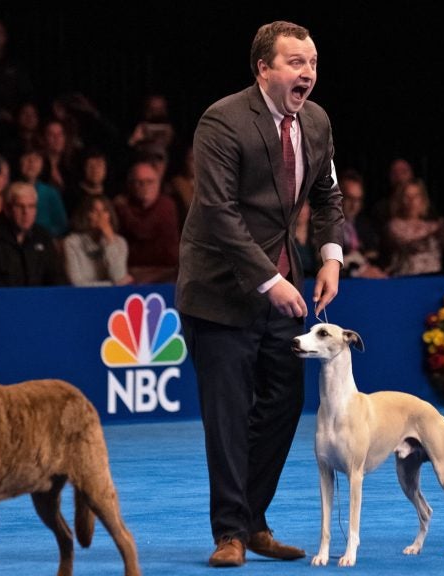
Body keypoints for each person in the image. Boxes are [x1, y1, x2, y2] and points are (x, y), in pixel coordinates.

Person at [175, 20, 343, 568]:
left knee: (283, 402)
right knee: (226, 417)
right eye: (296, 62)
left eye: (313, 62)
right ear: (263, 69)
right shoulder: (222, 120)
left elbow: (326, 197)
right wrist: (271, 281)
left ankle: (253, 520)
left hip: (284, 284)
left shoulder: (316, 121)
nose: (308, 73)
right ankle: (230, 533)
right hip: (220, 292)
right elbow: (218, 213)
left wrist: (330, 258)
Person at [0, 181, 64, 286]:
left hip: (38, 300)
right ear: (7, 209)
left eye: (31, 206)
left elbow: (56, 278)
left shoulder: (42, 236)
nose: (26, 212)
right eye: (20, 206)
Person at [63, 194, 132, 286]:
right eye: (94, 211)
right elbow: (77, 284)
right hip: (84, 298)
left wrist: (110, 241)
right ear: (86, 215)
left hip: (112, 297)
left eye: (104, 211)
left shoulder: (120, 242)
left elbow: (118, 276)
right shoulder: (71, 243)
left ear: (110, 215)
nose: (101, 216)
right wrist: (112, 284)